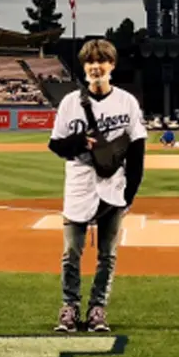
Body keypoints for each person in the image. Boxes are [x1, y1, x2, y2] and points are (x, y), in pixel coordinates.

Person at [46, 39, 147, 333]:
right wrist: (78, 142)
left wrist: (130, 193)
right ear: (84, 67)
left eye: (101, 61)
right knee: (71, 253)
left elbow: (137, 149)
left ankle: (97, 310)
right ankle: (69, 308)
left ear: (112, 65)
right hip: (79, 186)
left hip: (113, 187)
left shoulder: (126, 102)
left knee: (107, 255)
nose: (95, 66)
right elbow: (55, 145)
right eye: (90, 62)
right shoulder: (70, 103)